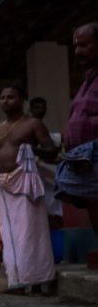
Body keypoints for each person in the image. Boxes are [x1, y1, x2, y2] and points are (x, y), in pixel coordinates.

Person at [0, 85, 57, 294]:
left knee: (31, 232)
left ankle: (36, 281)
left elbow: (52, 151)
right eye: (3, 97)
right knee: (9, 234)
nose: (6, 101)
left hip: (25, 182)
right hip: (4, 183)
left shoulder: (32, 124)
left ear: (21, 99)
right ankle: (17, 281)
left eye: (11, 97)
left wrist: (31, 149)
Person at [56, 23, 98, 235]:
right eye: (75, 46)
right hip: (85, 162)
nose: (77, 51)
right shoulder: (88, 80)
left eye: (84, 45)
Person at [29, 97, 65, 229]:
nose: (41, 110)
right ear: (31, 109)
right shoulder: (23, 133)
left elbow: (55, 153)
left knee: (51, 215)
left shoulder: (50, 136)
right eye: (37, 107)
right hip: (30, 180)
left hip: (48, 181)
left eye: (43, 107)